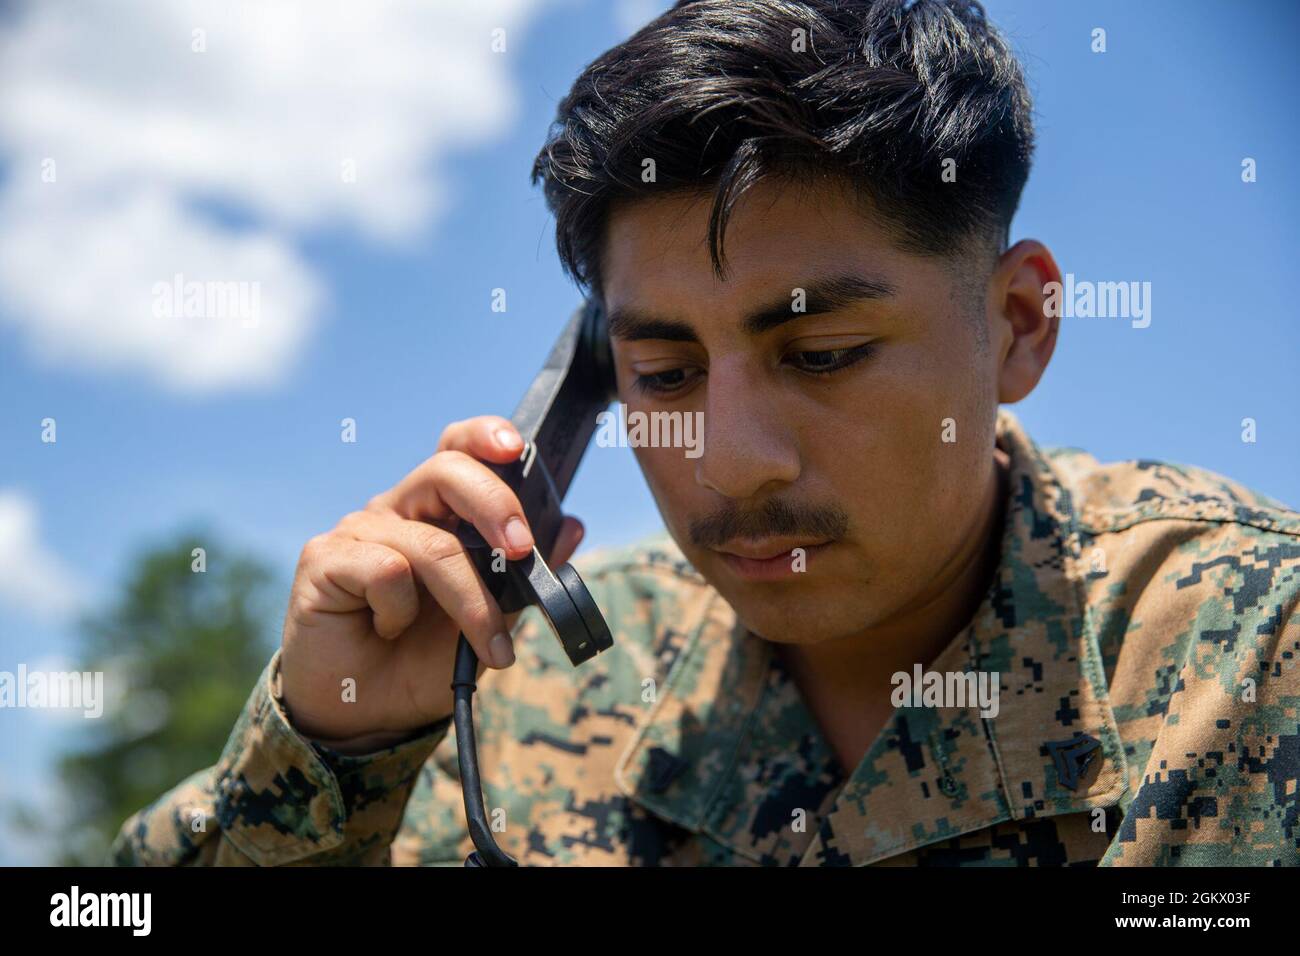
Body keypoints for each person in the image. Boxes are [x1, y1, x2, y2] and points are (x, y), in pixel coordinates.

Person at [111, 0, 1299, 866]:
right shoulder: (517, 700)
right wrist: (338, 752)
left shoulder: (1250, 655)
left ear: (1020, 324)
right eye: (663, 369)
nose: (728, 459)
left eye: (821, 355)